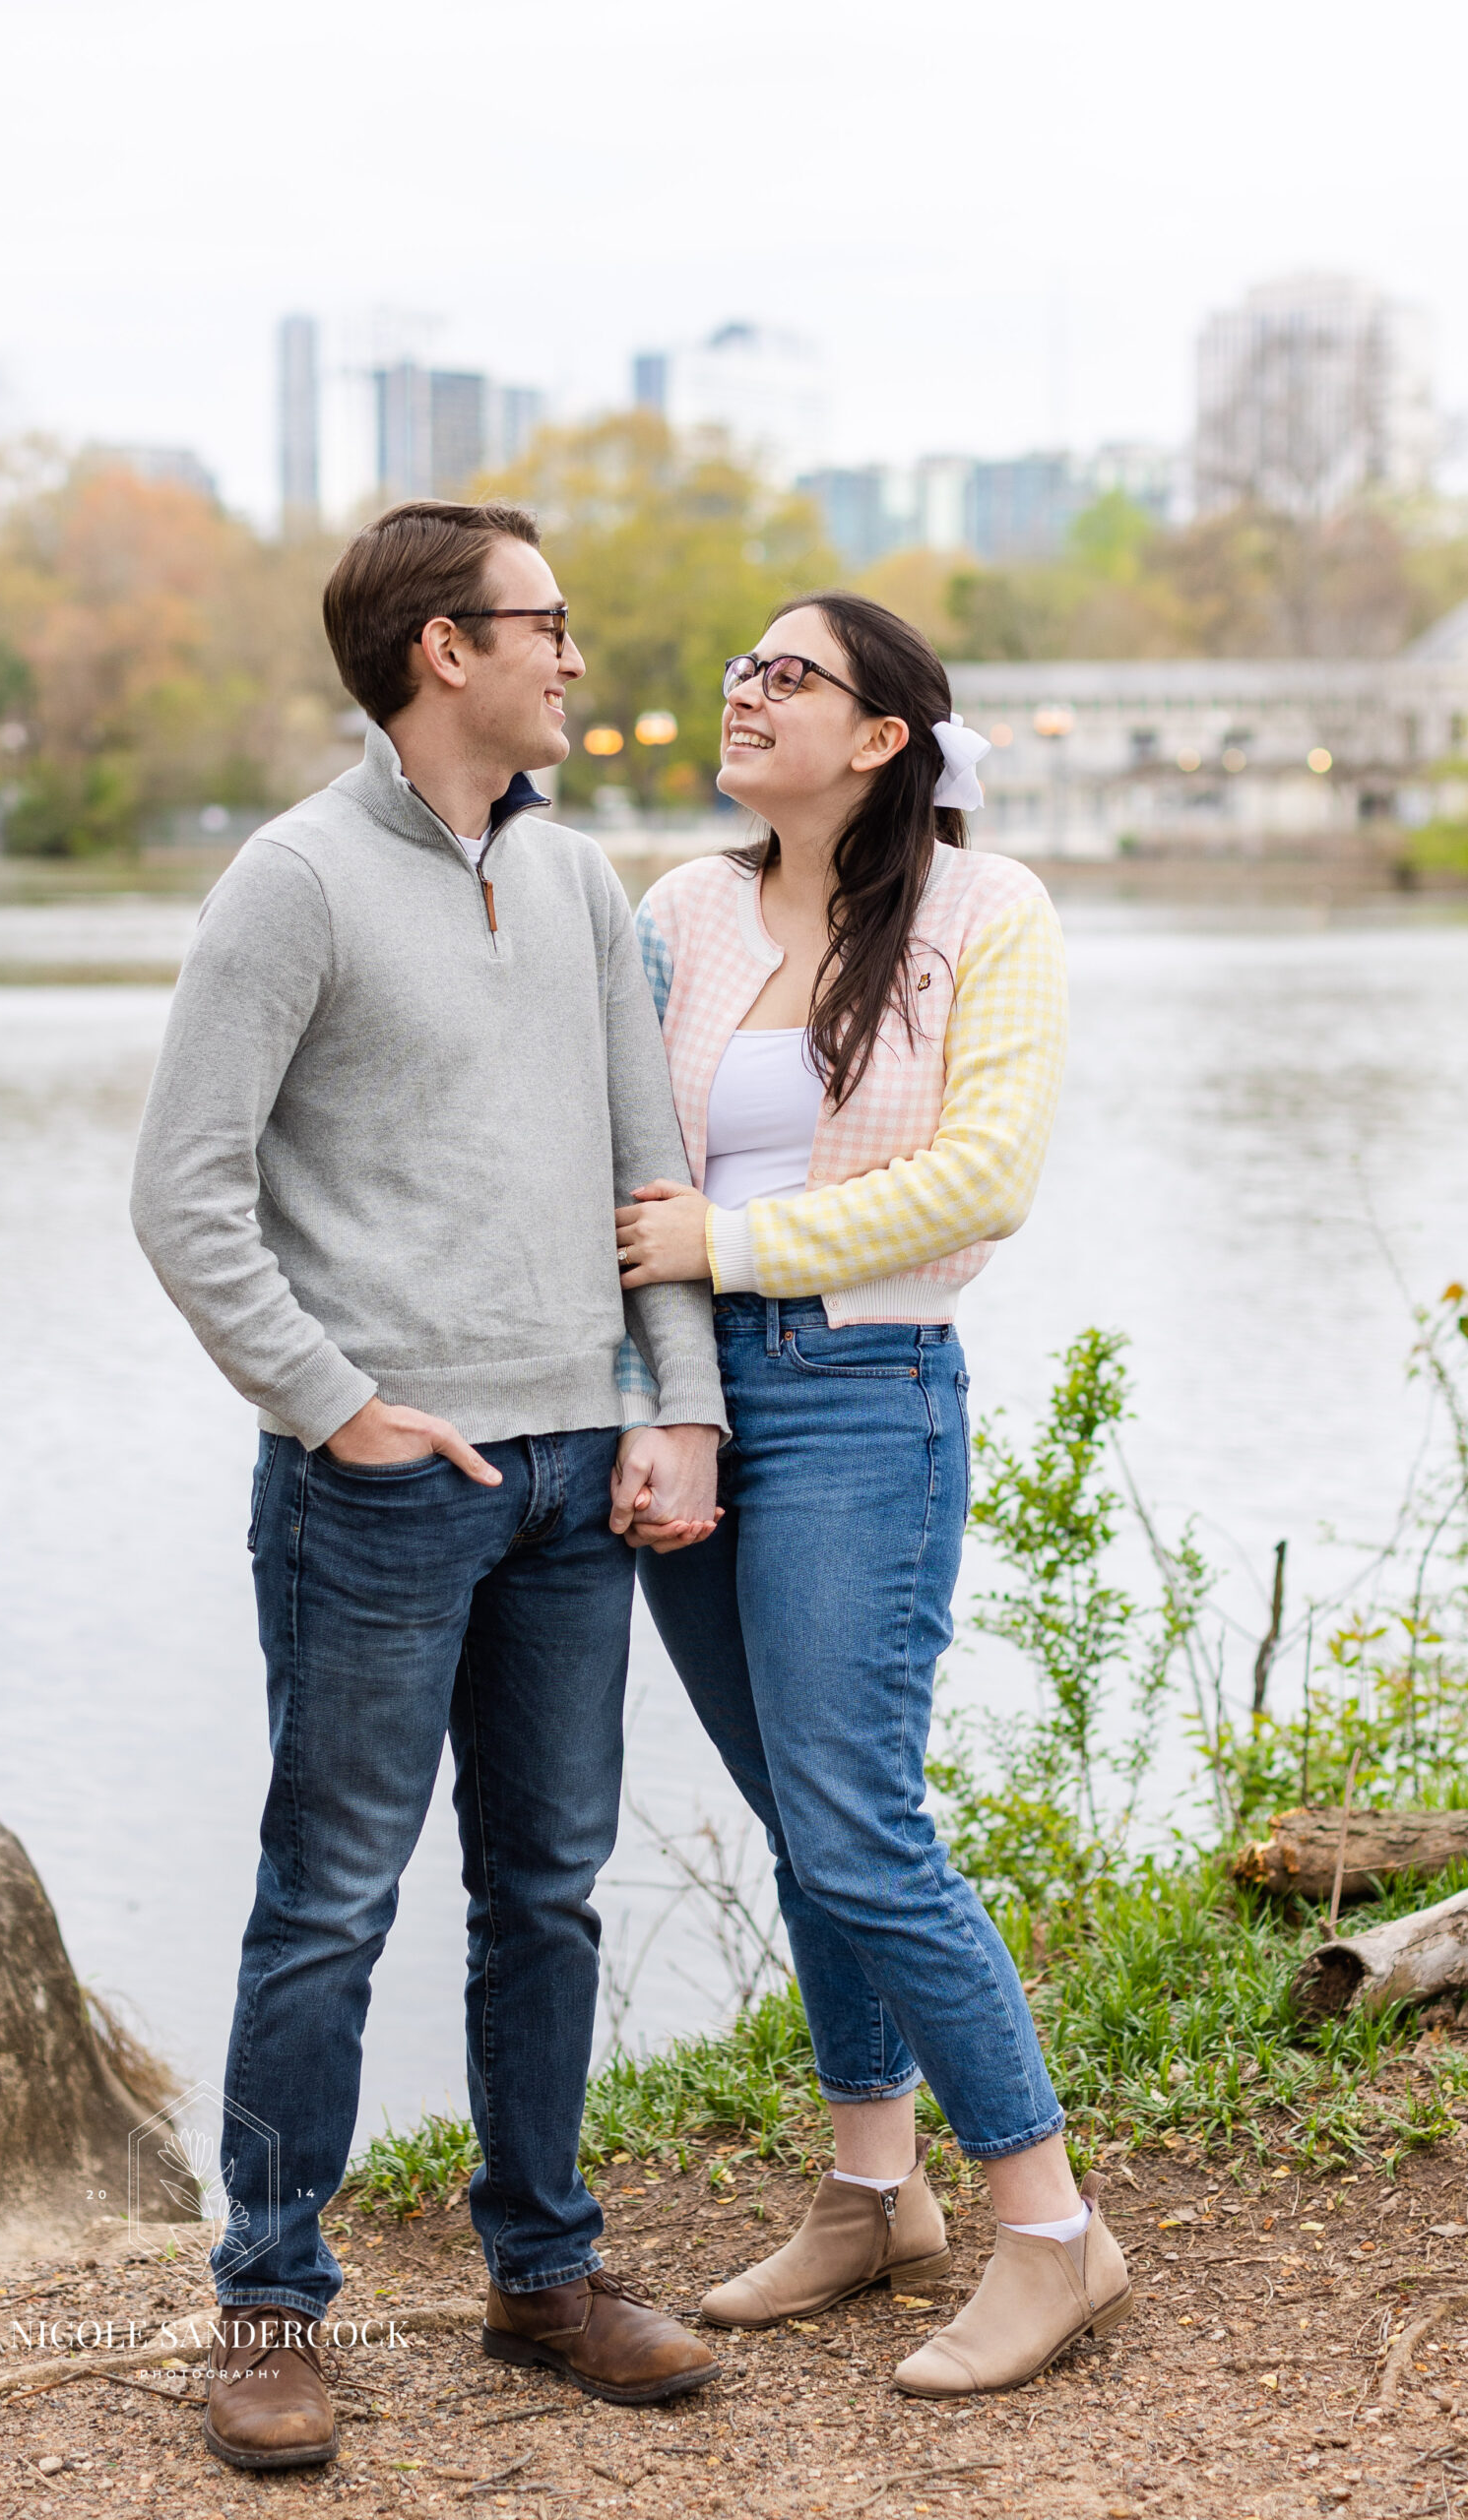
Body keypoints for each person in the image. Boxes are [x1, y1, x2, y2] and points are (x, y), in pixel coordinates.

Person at [131, 499, 729, 2475]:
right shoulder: (292, 881)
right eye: (543, 623)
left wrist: (674, 1405)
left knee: (544, 1889)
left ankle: (541, 2271)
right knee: (329, 1896)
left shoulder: (574, 879)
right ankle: (267, 2303)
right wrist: (334, 1404)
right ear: (440, 650)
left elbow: (649, 1179)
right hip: (380, 1490)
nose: (576, 655)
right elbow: (184, 1195)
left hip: (573, 1478)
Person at [610, 592, 1133, 2397]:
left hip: (861, 1394)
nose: (744, 694)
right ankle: (871, 2192)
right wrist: (660, 1400)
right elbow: (624, 1179)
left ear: (884, 736)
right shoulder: (678, 911)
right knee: (795, 1816)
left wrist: (736, 1244)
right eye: (738, 667)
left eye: (789, 676)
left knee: (857, 1824)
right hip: (699, 1399)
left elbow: (983, 1177)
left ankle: (1053, 2233)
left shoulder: (989, 912)